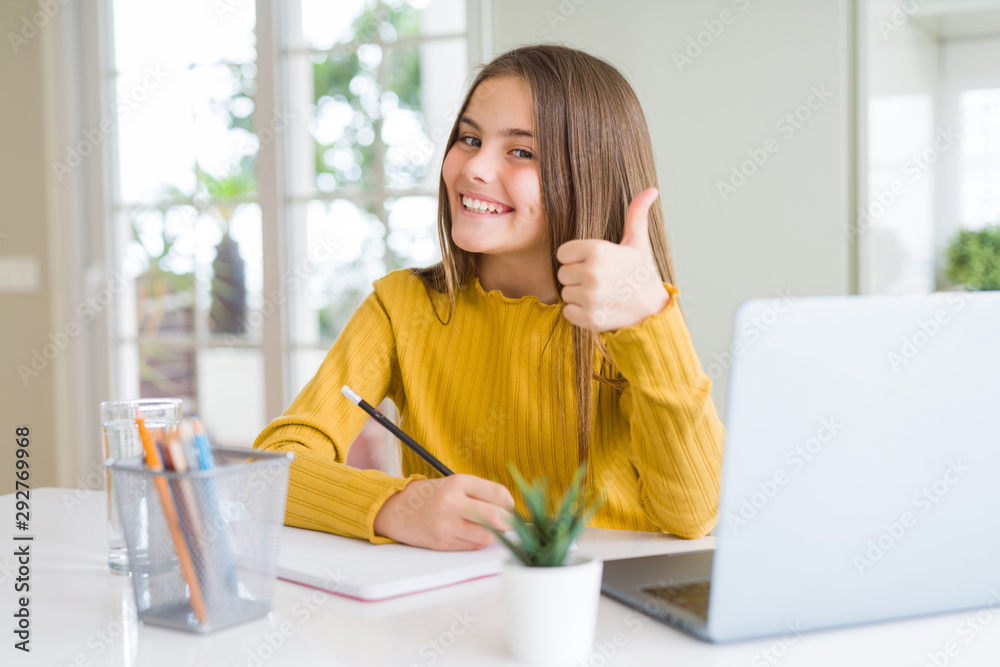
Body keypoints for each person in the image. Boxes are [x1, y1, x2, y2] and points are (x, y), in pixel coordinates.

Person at [253, 44, 725, 551]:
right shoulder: (402, 306)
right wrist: (399, 505)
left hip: (599, 610)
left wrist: (650, 323)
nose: (475, 168)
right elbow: (272, 474)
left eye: (521, 151)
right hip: (447, 607)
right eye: (469, 138)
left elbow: (692, 515)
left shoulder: (633, 322)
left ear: (591, 173)